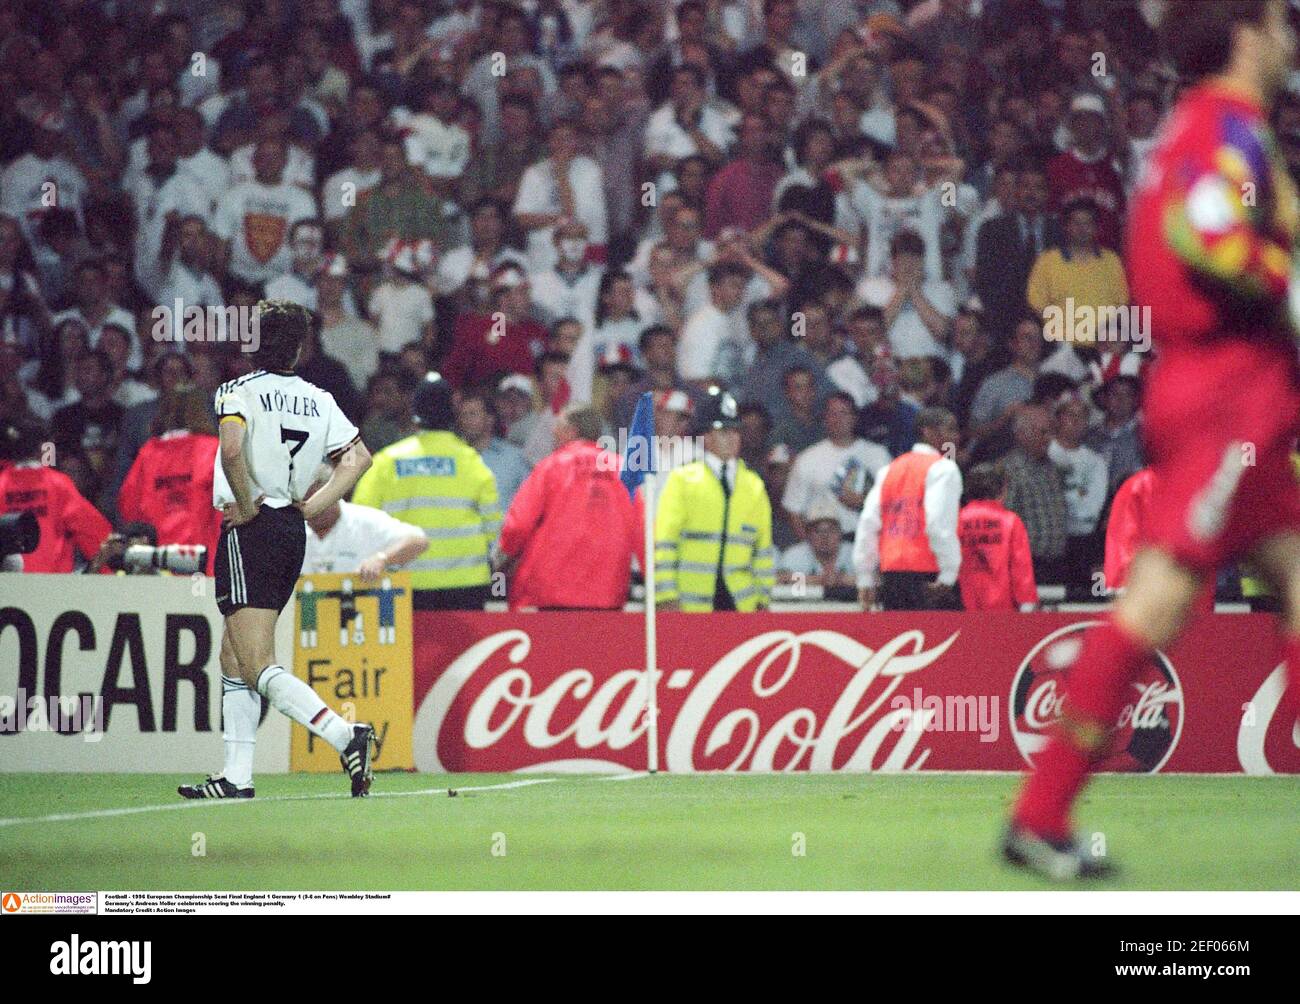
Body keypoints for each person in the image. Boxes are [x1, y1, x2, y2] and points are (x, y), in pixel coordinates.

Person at [1006, 0, 1300, 879]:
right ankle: (1040, 812)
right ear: (1245, 33)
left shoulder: (1198, 127)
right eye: (1282, 21)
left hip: (1239, 395)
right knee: (1161, 598)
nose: (1291, 35)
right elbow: (1203, 234)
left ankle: (1041, 814)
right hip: (1224, 400)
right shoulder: (1223, 126)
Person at [178, 300, 376, 801]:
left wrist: (244, 504)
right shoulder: (318, 397)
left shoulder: (237, 391)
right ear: (299, 348)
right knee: (232, 656)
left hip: (252, 526)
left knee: (256, 663)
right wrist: (314, 505)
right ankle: (237, 776)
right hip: (289, 529)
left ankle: (342, 733)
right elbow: (358, 458)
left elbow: (230, 448)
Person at [351, 371, 501, 610]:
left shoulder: (388, 461)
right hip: (465, 585)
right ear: (454, 415)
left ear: (415, 414)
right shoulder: (472, 462)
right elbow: (494, 529)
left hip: (401, 584)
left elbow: (358, 522)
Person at [495, 406, 639, 610]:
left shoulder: (551, 467)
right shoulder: (623, 470)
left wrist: (501, 561)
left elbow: (517, 525)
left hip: (553, 589)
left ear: (572, 431)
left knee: (556, 643)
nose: (553, 432)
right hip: (608, 589)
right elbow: (643, 528)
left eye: (558, 427)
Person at [655, 388, 775, 612]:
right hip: (690, 603)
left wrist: (763, 597)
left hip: (741, 602)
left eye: (735, 432)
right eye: (722, 431)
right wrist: (666, 594)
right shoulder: (682, 480)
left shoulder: (753, 485)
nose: (731, 438)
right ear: (706, 437)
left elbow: (763, 550)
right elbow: (665, 543)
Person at [852, 407, 963, 611]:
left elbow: (868, 523)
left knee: (904, 640)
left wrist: (865, 577)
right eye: (951, 430)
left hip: (892, 574)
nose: (956, 437)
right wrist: (949, 573)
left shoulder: (890, 469)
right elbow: (938, 524)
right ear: (928, 432)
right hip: (930, 573)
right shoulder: (944, 469)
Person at [117, 385, 221, 575]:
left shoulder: (148, 454)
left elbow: (129, 507)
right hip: (203, 565)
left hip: (155, 567)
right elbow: (227, 509)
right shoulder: (213, 450)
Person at [0, 417, 111, 572]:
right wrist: (111, 566)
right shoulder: (57, 484)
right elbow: (90, 530)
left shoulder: (2, 484)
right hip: (51, 584)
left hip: (7, 583)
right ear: (44, 448)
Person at [300, 463, 428, 577]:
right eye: (303, 503)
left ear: (335, 494)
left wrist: (381, 559)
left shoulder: (365, 521)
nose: (310, 510)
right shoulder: (293, 529)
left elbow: (417, 540)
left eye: (316, 502)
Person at [957, 462, 1038, 612]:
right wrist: (1027, 604)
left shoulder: (956, 520)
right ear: (1003, 489)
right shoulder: (1011, 521)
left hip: (961, 608)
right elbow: (1021, 568)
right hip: (1002, 611)